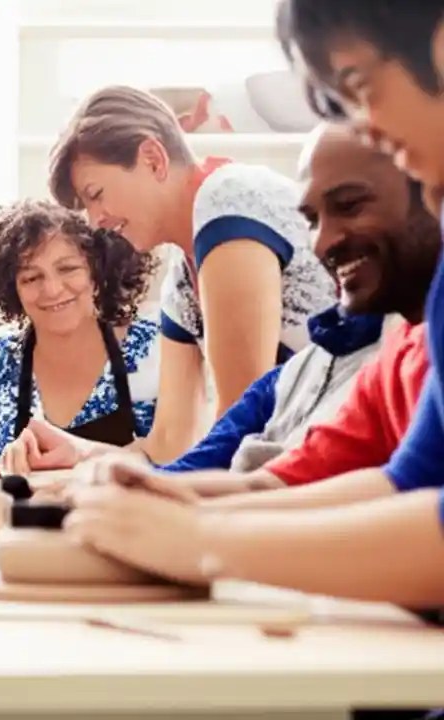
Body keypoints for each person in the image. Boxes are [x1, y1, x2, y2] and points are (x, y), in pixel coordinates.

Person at [61, 0, 444, 618]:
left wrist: (201, 536)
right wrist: (170, 500)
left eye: (359, 88)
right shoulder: (384, 346)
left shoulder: (226, 198)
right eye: (312, 221)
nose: (319, 245)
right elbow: (389, 482)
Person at [47, 85, 336, 463]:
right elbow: (169, 442)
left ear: (153, 159)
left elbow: (242, 428)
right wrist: (80, 455)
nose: (96, 220)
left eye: (96, 193)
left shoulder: (230, 201)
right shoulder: (182, 281)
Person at [154, 122, 438, 477]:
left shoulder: (398, 352)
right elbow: (270, 482)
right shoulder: (323, 368)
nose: (321, 244)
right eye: (312, 220)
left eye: (349, 206)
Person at [0, 199, 160, 467]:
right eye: (32, 278)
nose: (52, 290)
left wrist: (86, 456)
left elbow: (190, 456)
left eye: (67, 269)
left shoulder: (154, 348)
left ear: (97, 273)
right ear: (13, 291)